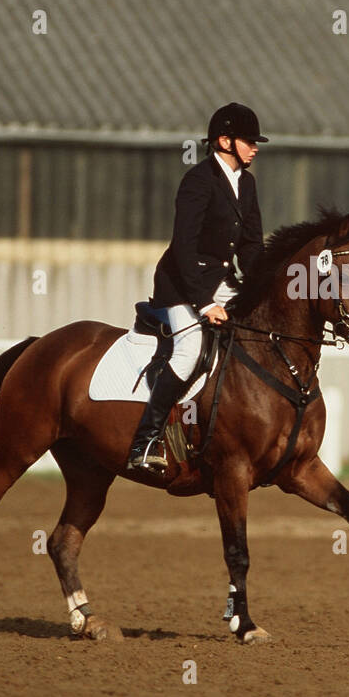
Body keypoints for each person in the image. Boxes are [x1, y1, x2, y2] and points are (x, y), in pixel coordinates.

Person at [126, 103, 267, 475]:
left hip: (222, 283)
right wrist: (204, 303)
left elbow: (251, 246)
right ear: (224, 141)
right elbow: (184, 246)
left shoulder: (247, 184)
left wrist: (263, 285)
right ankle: (146, 440)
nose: (255, 148)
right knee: (189, 351)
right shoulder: (198, 180)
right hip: (181, 286)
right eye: (248, 141)